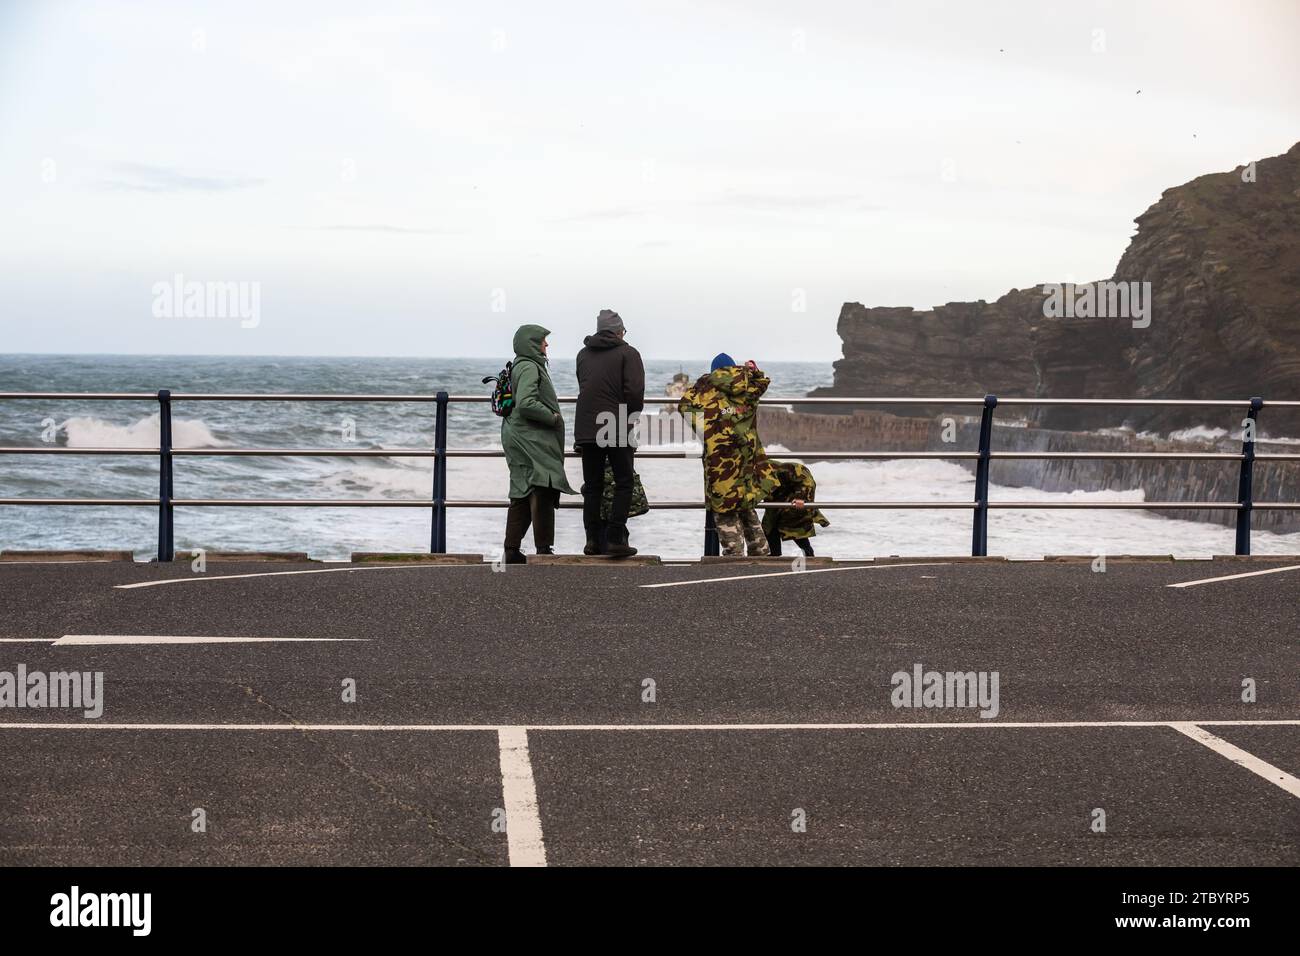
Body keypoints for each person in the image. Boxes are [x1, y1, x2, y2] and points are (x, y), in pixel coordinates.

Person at [679, 353, 778, 556]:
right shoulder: (748, 390)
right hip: (747, 460)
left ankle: (734, 555)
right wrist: (752, 372)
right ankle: (761, 551)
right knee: (746, 505)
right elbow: (761, 383)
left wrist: (702, 383)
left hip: (720, 461)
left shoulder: (706, 393)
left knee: (724, 509)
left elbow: (684, 406)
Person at [501, 324, 576, 563]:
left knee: (523, 489)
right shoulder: (530, 367)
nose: (547, 344)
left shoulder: (522, 365)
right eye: (543, 340)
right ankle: (543, 548)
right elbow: (526, 403)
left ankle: (512, 549)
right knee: (544, 484)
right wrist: (552, 417)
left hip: (519, 435)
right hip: (530, 437)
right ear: (532, 343)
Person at [574, 309, 645, 557]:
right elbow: (634, 393)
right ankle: (616, 538)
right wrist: (631, 418)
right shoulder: (629, 353)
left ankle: (592, 541)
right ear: (618, 331)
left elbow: (585, 385)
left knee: (593, 485)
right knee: (623, 482)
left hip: (585, 426)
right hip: (615, 424)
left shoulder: (583, 354)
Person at [762, 460, 829, 557]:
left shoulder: (781, 468)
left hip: (796, 493)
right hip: (776, 495)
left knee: (795, 525)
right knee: (769, 524)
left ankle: (809, 555)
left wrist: (801, 498)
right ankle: (775, 555)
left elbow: (805, 477)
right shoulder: (745, 471)